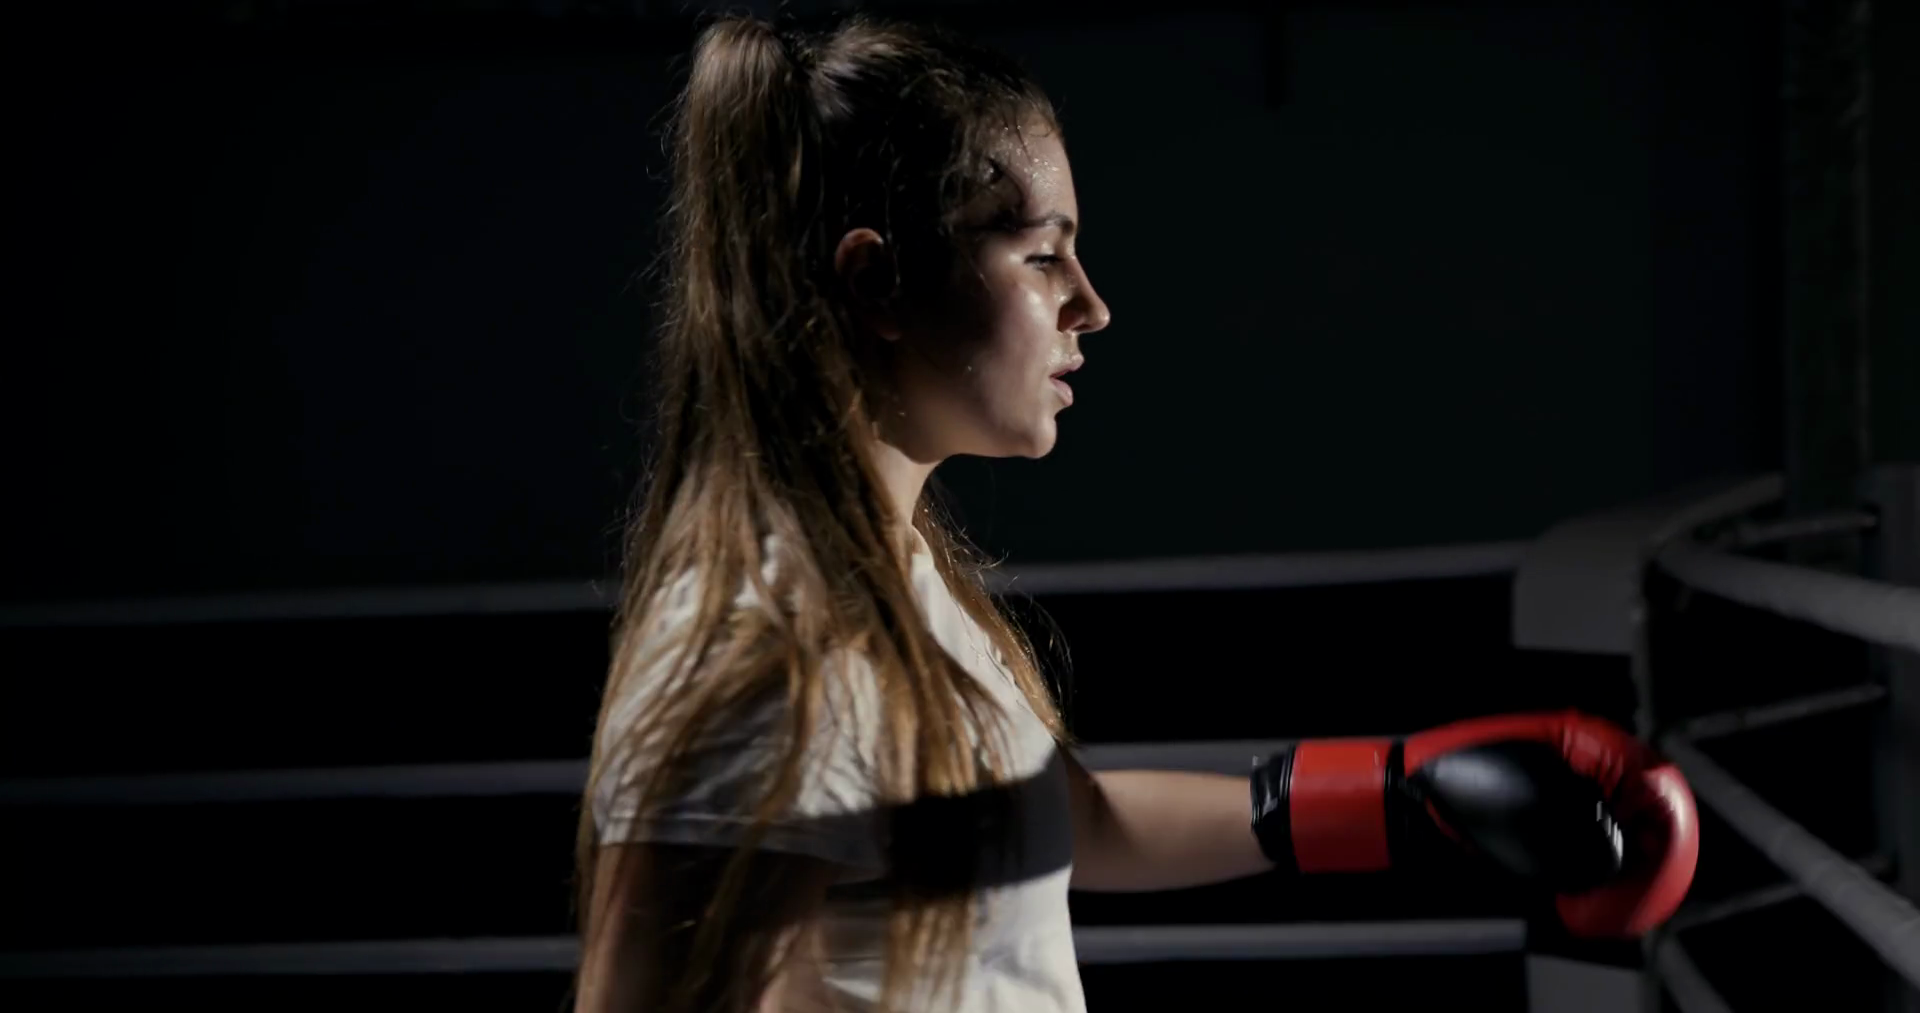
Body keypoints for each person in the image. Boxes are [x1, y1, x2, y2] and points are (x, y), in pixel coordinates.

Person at [573, 13, 1699, 1013]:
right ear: (876, 282)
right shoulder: (764, 639)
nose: (1092, 305)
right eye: (1041, 254)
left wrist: (1402, 791)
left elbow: (1082, 820)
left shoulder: (899, 581)